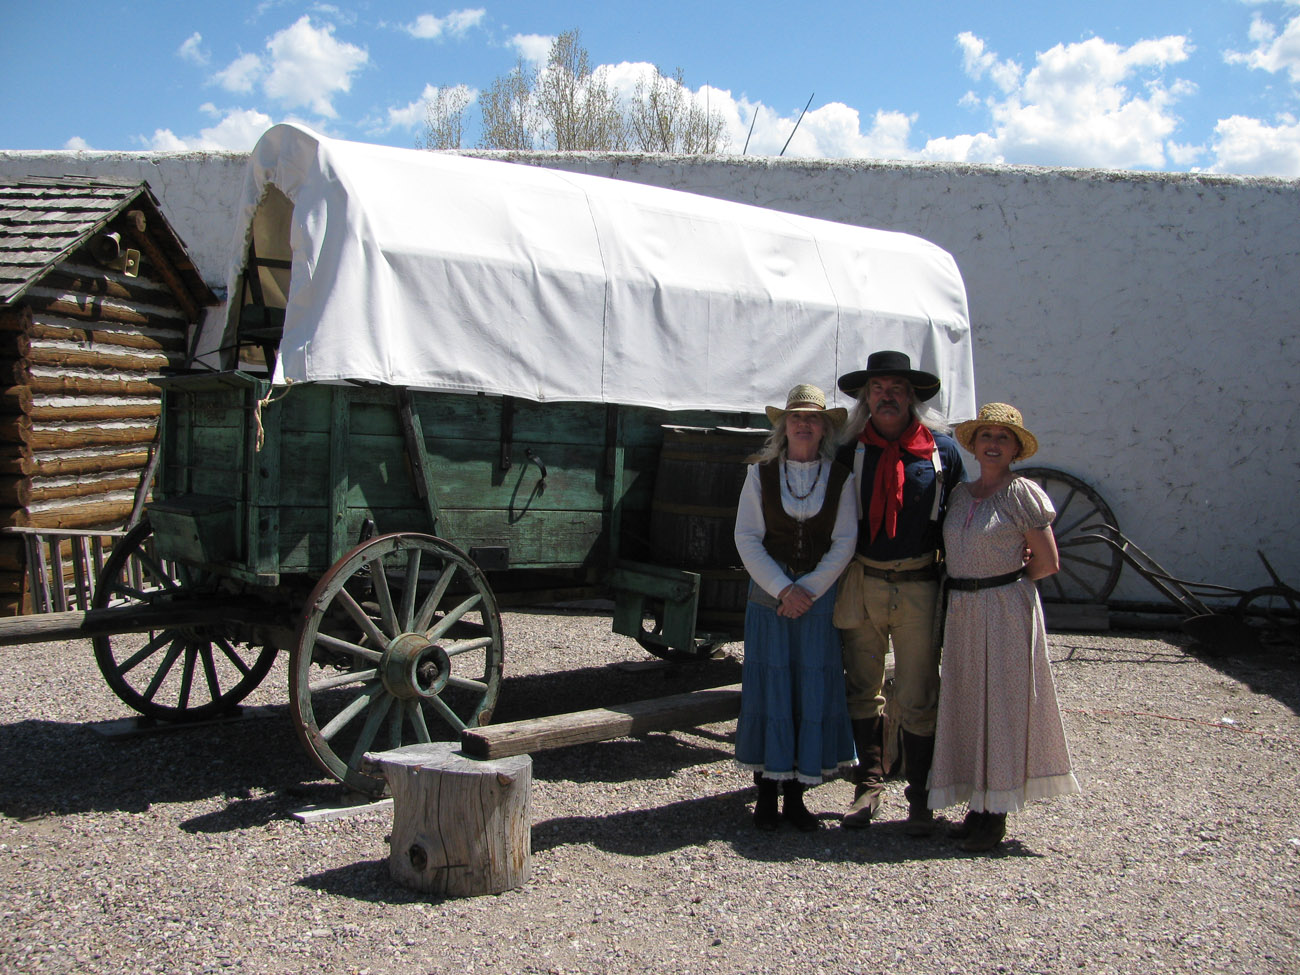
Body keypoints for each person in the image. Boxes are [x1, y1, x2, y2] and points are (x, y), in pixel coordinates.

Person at [928, 403, 1081, 852]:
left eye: (1003, 437)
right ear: (974, 445)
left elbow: (1047, 563)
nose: (993, 444)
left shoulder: (1022, 493)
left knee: (1002, 705)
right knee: (970, 702)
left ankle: (996, 813)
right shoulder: (958, 495)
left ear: (1015, 449)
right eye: (986, 436)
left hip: (1006, 609)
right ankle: (977, 802)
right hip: (962, 608)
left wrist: (1003, 588)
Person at [832, 350, 965, 834]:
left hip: (918, 584)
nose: (886, 397)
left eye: (896, 389)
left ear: (912, 397)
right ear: (867, 398)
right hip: (862, 580)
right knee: (861, 686)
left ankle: (921, 795)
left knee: (918, 690)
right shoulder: (848, 449)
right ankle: (867, 784)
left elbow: (961, 517)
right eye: (878, 390)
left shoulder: (941, 450)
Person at [733, 383, 859, 831]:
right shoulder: (760, 474)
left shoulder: (840, 477)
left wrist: (809, 589)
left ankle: (796, 795)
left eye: (812, 418)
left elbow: (845, 541)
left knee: (809, 688)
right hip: (770, 595)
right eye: (795, 416)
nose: (803, 424)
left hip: (818, 599)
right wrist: (785, 589)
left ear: (823, 427)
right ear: (784, 425)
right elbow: (746, 537)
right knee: (771, 687)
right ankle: (765, 792)